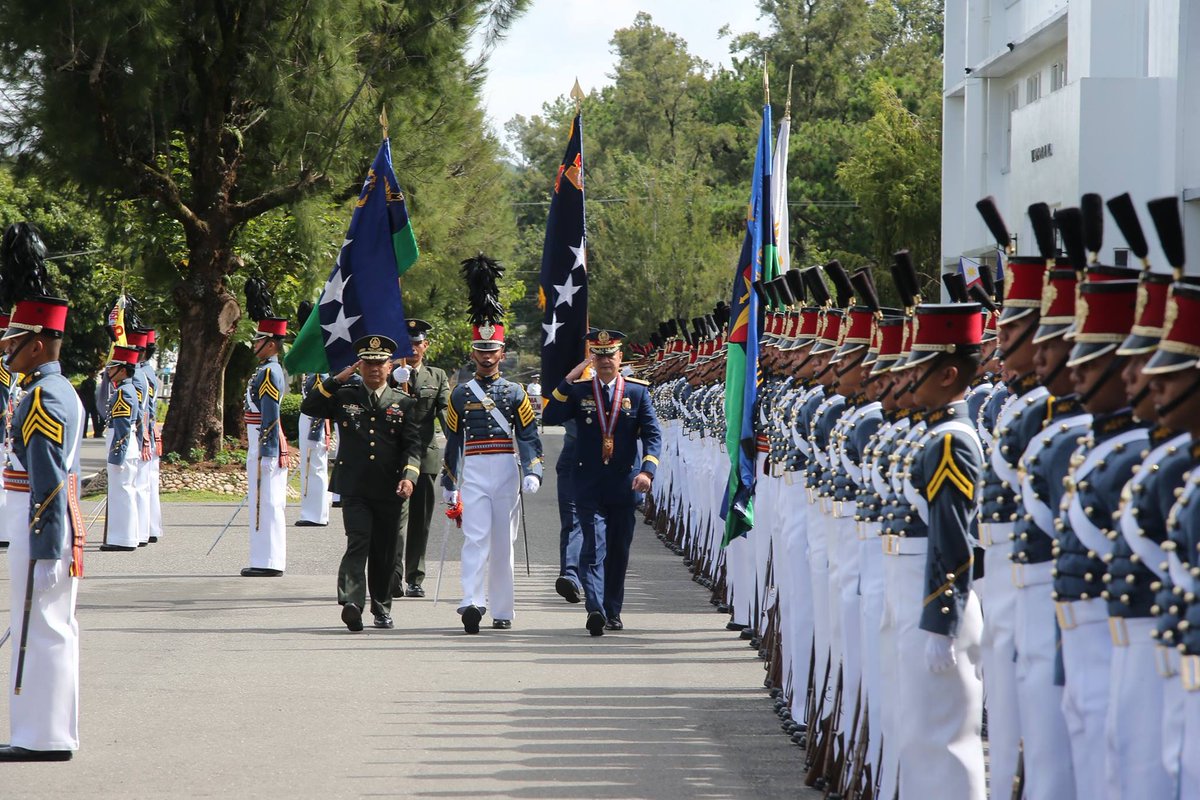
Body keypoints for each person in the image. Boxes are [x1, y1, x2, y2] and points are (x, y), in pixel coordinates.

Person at [1, 287, 86, 761]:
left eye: (13, 340)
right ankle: (40, 731)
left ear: (35, 344)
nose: (6, 347)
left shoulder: (41, 398)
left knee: (42, 627)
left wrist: (48, 549)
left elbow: (49, 482)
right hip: (41, 524)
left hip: (40, 527)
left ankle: (42, 737)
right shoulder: (52, 389)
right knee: (45, 626)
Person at [441, 253, 543, 634]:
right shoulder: (459, 393)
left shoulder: (516, 392)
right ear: (473, 353)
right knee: (475, 537)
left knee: (503, 543)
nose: (486, 357)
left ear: (502, 352)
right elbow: (454, 440)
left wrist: (533, 469)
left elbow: (529, 435)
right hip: (474, 469)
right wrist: (450, 482)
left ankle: (502, 608)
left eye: (492, 351)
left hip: (505, 469)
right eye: (480, 352)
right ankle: (471, 601)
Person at [542, 328, 662, 636]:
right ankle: (594, 608)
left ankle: (612, 610)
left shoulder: (637, 392)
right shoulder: (581, 391)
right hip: (588, 483)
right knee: (594, 546)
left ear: (621, 357)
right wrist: (568, 379)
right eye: (599, 355)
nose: (606, 361)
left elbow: (652, 435)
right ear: (592, 359)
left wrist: (647, 470)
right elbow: (551, 415)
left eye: (611, 355)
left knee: (618, 550)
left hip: (624, 484)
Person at [302, 334, 424, 631]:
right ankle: (352, 602)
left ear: (389, 365)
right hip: (354, 487)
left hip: (389, 488)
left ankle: (381, 608)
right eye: (368, 363)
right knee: (358, 541)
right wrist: (337, 378)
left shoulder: (403, 402)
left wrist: (409, 477)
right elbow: (310, 407)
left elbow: (413, 447)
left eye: (379, 363)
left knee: (384, 550)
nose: (373, 369)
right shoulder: (346, 396)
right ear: (360, 365)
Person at [389, 317, 449, 598]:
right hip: (393, 457)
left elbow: (446, 412)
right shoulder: (388, 373)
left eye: (417, 343)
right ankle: (393, 575)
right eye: (408, 343)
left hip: (424, 456)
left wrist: (461, 442)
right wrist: (392, 381)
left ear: (425, 346)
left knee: (419, 522)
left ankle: (415, 577)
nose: (412, 348)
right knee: (395, 521)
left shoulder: (436, 376)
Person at [242, 315, 289, 577]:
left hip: (264, 444)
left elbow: (270, 417)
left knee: (267, 502)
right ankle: (264, 558)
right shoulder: (265, 370)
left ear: (270, 344)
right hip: (258, 442)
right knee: (264, 501)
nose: (254, 344)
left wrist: (266, 452)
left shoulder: (270, 373)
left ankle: (268, 561)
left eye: (258, 340)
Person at [98, 344, 143, 552]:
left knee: (121, 493)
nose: (108, 371)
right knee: (125, 492)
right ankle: (127, 537)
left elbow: (123, 429)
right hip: (130, 448)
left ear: (123, 370)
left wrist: (116, 456)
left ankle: (122, 539)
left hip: (123, 448)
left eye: (113, 367)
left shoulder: (123, 393)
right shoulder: (129, 390)